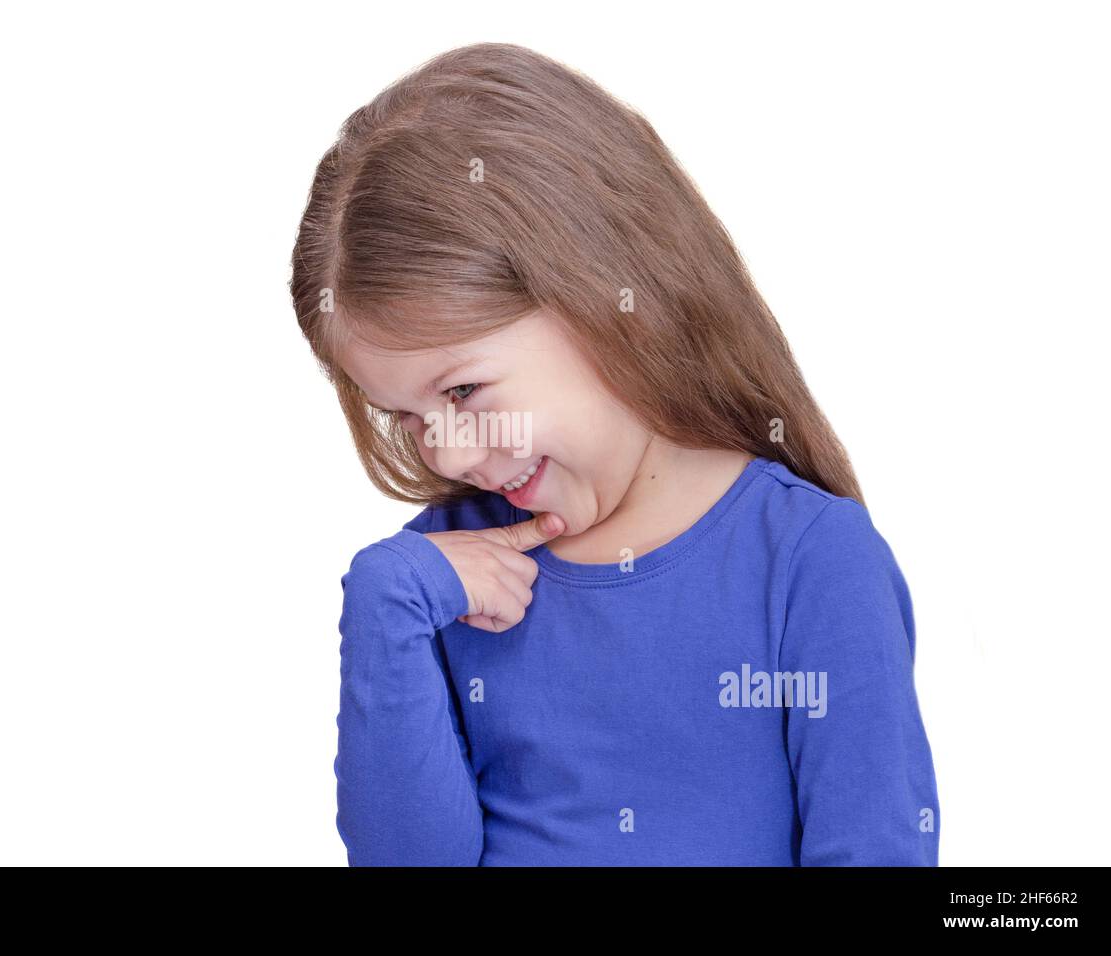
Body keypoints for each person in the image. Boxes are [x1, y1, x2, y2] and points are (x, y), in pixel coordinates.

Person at [290, 42, 939, 866]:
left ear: (604, 295)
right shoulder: (442, 577)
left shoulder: (811, 562)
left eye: (462, 392)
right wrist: (386, 606)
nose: (448, 453)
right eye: (406, 416)